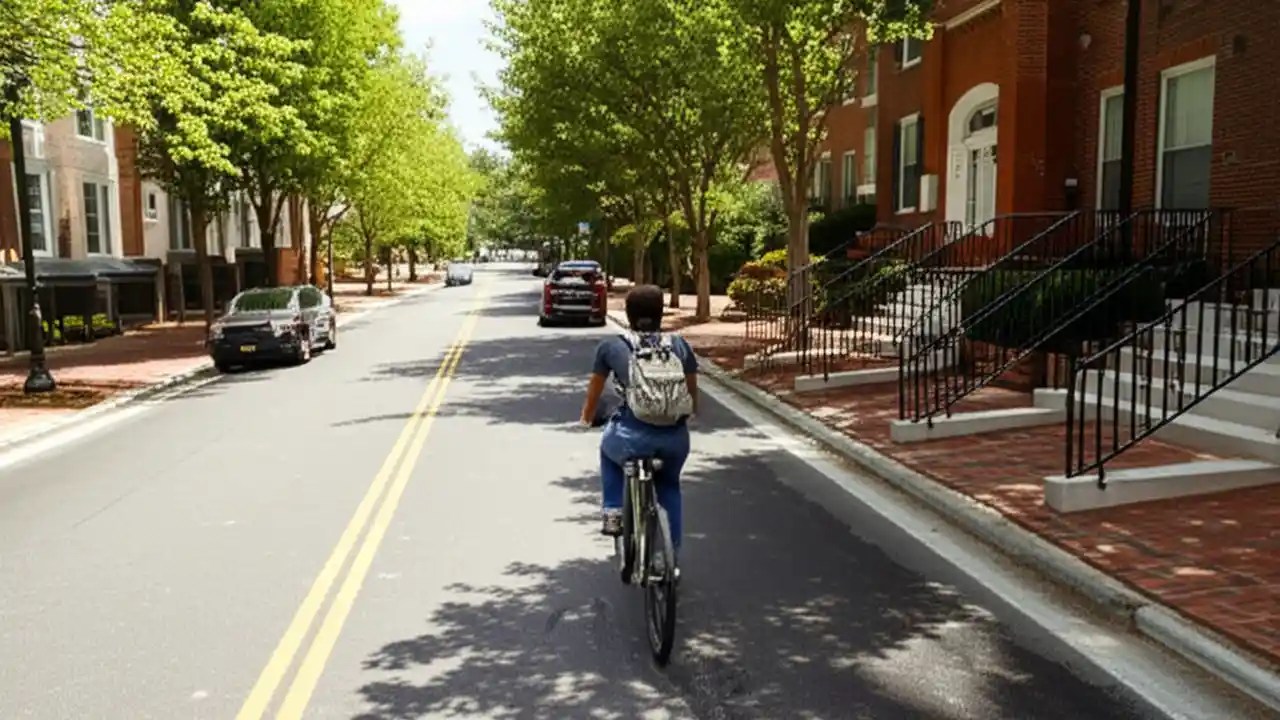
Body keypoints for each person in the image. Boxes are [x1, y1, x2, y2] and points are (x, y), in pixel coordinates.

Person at [579, 284, 699, 558]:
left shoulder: (611, 347)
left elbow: (595, 391)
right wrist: (690, 414)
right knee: (669, 486)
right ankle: (670, 556)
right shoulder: (680, 346)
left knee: (608, 451)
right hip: (675, 439)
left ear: (629, 315)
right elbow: (692, 392)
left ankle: (612, 511)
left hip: (631, 437)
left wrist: (587, 418)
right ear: (661, 314)